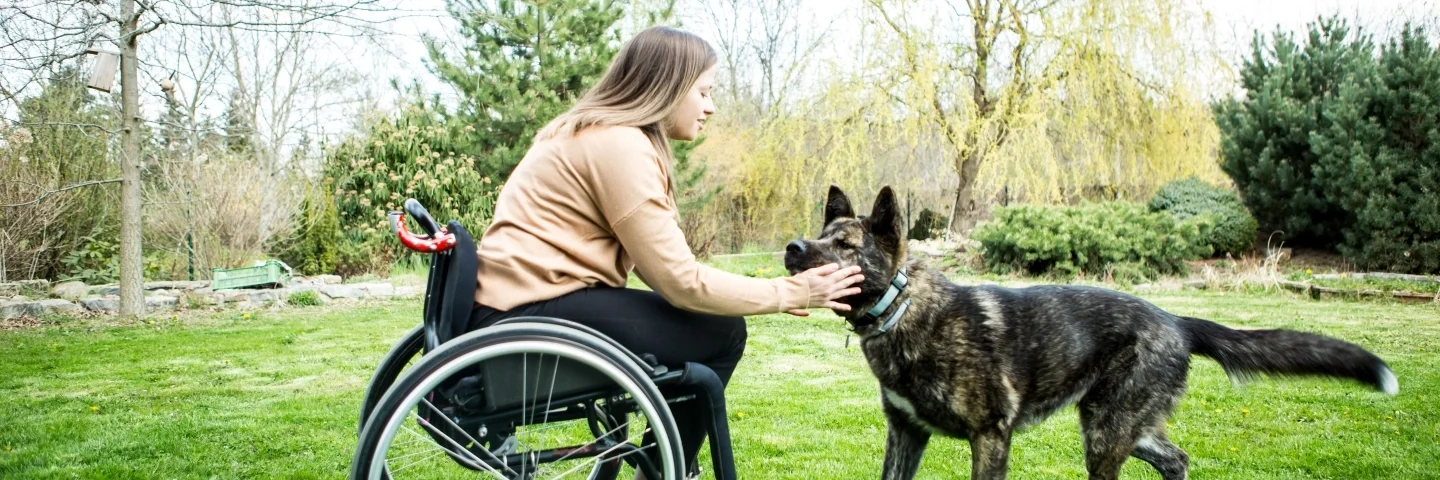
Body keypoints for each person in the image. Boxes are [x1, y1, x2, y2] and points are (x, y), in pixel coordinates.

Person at [468, 25, 865, 477]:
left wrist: (762, 292)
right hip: (527, 314)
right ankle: (663, 471)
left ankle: (665, 464)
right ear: (669, 87)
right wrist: (787, 294)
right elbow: (681, 283)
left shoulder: (594, 133)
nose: (710, 107)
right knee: (722, 332)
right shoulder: (618, 145)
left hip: (516, 305)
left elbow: (668, 268)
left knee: (705, 324)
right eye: (703, 92)